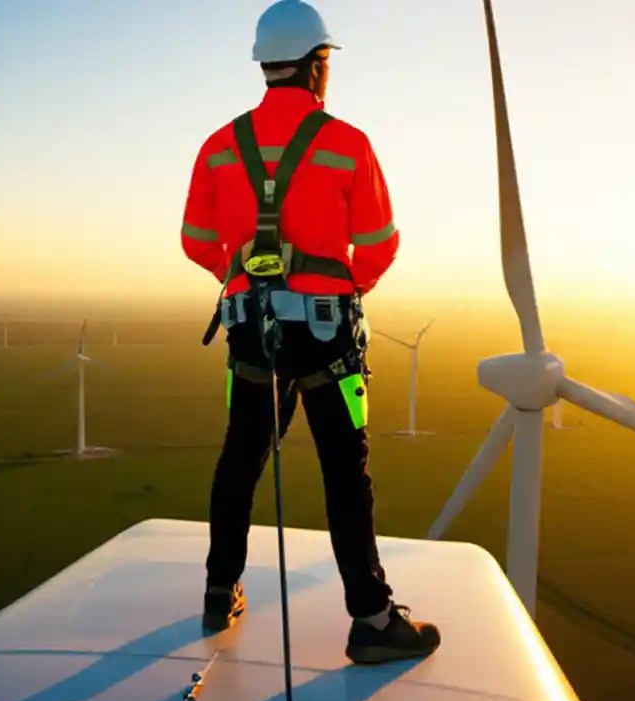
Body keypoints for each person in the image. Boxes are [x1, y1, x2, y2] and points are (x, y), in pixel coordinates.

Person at [180, 0, 440, 665]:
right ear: (318, 66)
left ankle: (218, 590)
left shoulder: (218, 147)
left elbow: (195, 240)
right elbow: (379, 245)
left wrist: (241, 275)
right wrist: (341, 286)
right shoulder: (347, 144)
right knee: (344, 471)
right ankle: (373, 619)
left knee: (241, 457)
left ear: (266, 65)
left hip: (248, 333)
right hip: (327, 336)